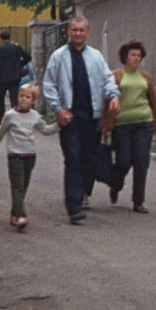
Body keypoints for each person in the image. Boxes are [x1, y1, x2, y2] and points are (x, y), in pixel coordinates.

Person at [43, 16, 120, 224]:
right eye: (74, 30)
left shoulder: (95, 56)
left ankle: (83, 192)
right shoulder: (59, 56)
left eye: (82, 30)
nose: (78, 33)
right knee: (73, 159)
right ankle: (74, 206)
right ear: (68, 31)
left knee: (88, 159)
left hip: (91, 116)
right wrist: (58, 109)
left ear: (87, 32)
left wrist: (113, 95)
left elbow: (107, 78)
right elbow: (49, 85)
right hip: (70, 117)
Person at [0, 83, 59, 229]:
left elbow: (45, 129)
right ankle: (21, 215)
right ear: (17, 97)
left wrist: (60, 124)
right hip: (15, 155)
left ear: (33, 101)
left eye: (27, 97)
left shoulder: (35, 116)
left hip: (30, 156)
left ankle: (14, 214)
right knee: (17, 186)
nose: (24, 99)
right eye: (21, 96)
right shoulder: (10, 116)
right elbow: (0, 132)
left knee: (23, 186)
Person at [102, 39, 156, 214]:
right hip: (122, 124)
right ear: (125, 57)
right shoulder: (117, 75)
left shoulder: (146, 77)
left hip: (144, 123)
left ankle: (138, 200)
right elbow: (107, 100)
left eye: (138, 55)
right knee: (124, 160)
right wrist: (106, 123)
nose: (136, 58)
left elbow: (154, 102)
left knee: (141, 161)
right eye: (132, 55)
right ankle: (116, 184)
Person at [0, 29, 32, 123]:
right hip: (14, 77)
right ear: (9, 37)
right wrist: (19, 65)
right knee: (14, 99)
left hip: (1, 78)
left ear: (1, 38)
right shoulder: (16, 47)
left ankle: (2, 119)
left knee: (1, 99)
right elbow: (28, 57)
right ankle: (14, 118)